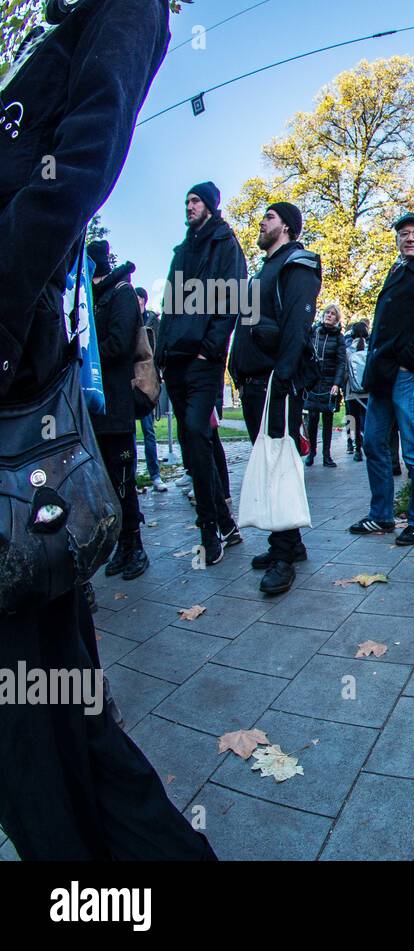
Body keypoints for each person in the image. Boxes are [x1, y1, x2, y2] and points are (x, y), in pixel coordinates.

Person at [0, 0, 215, 861]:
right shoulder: (54, 35)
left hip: (21, 387)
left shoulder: (115, 11)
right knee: (51, 704)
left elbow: (77, 168)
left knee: (31, 720)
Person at [227, 202, 321, 595]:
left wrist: (282, 379)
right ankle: (290, 544)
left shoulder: (297, 264)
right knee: (268, 462)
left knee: (279, 464)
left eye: (268, 217)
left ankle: (283, 556)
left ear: (286, 226)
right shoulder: (264, 270)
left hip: (274, 385)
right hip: (255, 382)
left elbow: (297, 324)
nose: (261, 223)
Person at [156, 180, 246, 566]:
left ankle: (209, 528)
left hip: (203, 362)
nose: (189, 206)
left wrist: (212, 350)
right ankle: (225, 522)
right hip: (174, 360)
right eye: (186, 201)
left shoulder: (225, 245)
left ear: (209, 205)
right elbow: (168, 305)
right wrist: (160, 353)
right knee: (198, 447)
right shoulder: (182, 251)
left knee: (195, 434)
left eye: (195, 201)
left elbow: (234, 299)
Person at [348, 212, 414, 546]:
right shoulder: (397, 269)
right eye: (404, 233)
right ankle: (381, 516)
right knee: (373, 444)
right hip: (381, 375)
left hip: (406, 376)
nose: (410, 238)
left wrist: (407, 363)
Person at [86, 240, 149, 581]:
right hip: (97, 412)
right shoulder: (89, 300)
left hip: (116, 405)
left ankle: (135, 545)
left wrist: (82, 357)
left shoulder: (120, 294)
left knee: (123, 479)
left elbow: (120, 344)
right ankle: (123, 545)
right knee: (109, 482)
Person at [304, 302, 348, 467]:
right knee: (312, 418)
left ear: (337, 318)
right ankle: (312, 452)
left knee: (328, 418)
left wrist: (337, 383)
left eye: (333, 313)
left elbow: (341, 362)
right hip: (313, 382)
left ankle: (327, 455)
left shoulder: (339, 337)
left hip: (329, 382)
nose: (329, 315)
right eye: (327, 313)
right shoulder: (314, 332)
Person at [134, 285, 166, 491]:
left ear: (144, 301)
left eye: (138, 300)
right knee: (130, 433)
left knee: (148, 431)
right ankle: (132, 475)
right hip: (131, 381)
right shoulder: (129, 319)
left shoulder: (153, 321)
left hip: (147, 381)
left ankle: (155, 475)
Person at [345, 319, 369, 462]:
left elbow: (344, 372)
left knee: (352, 419)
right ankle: (368, 446)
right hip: (367, 390)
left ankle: (356, 449)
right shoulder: (369, 350)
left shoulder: (348, 351)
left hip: (352, 392)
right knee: (366, 418)